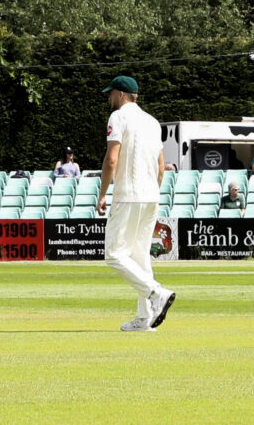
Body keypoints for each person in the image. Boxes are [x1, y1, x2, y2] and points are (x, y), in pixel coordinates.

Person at [97, 76, 174, 333]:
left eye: (111, 94)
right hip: (151, 195)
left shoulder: (118, 117)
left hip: (128, 194)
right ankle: (144, 318)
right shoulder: (152, 122)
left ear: (121, 95)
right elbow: (161, 167)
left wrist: (102, 194)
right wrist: (152, 192)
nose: (110, 98)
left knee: (114, 254)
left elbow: (111, 160)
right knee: (140, 256)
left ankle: (156, 292)